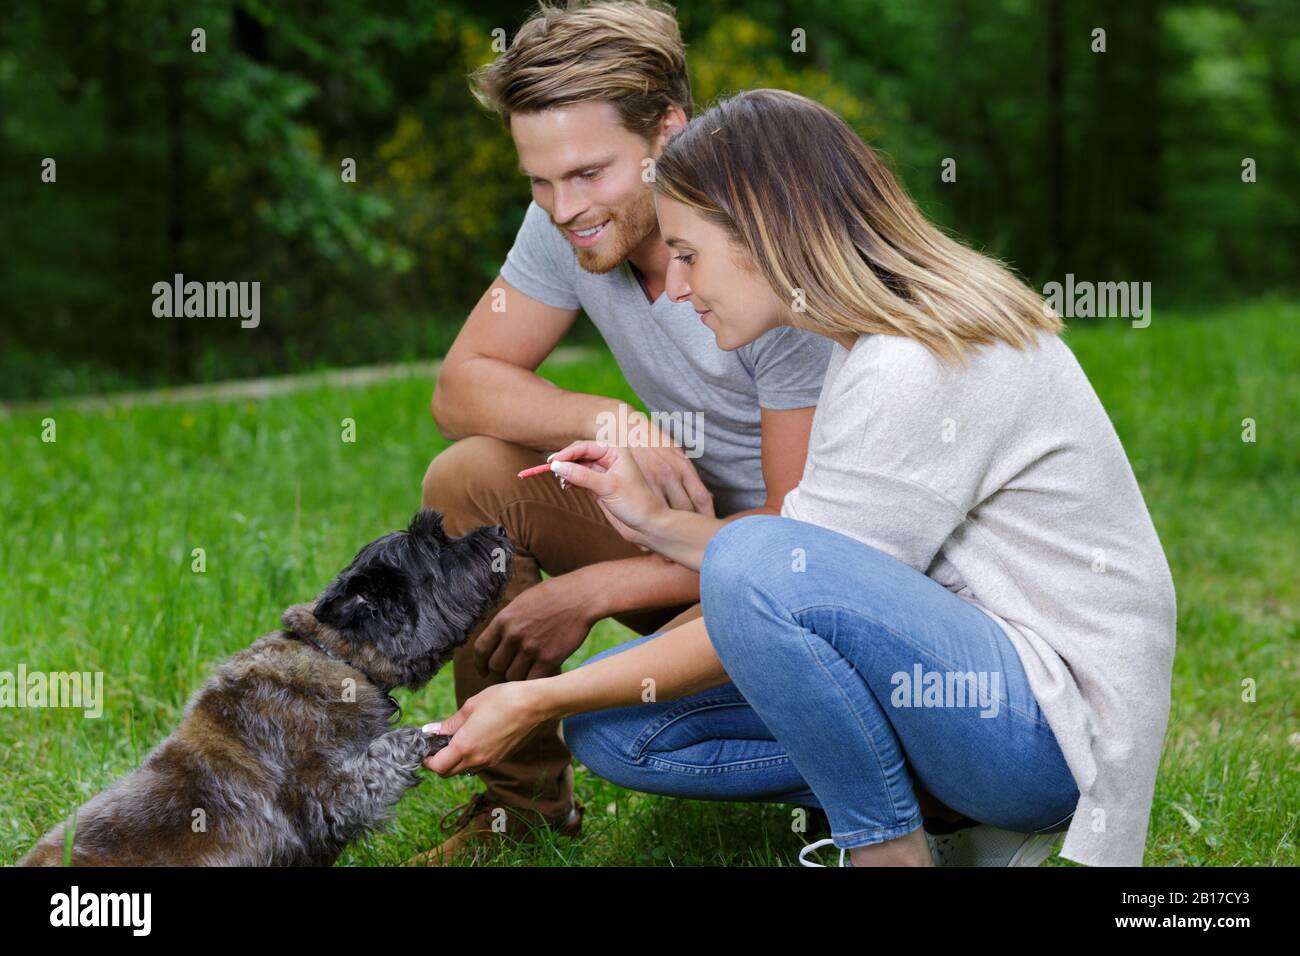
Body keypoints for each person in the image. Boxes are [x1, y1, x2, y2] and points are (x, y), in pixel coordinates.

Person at [422, 88, 1178, 868]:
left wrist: (538, 696)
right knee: (616, 728)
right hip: (973, 691)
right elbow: (804, 573)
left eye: (689, 255)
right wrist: (650, 519)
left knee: (735, 581)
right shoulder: (872, 341)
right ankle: (939, 814)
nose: (676, 288)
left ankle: (889, 850)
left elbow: (780, 576)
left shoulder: (911, 366)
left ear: (765, 232)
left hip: (1046, 738)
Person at [411, 2, 834, 864]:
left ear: (667, 135)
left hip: (786, 588)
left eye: (589, 174)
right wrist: (606, 417)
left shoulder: (768, 264)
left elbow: (802, 546)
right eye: (539, 181)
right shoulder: (569, 222)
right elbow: (461, 385)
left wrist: (594, 589)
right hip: (677, 545)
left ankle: (864, 771)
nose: (564, 209)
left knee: (614, 726)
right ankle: (520, 808)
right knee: (472, 479)